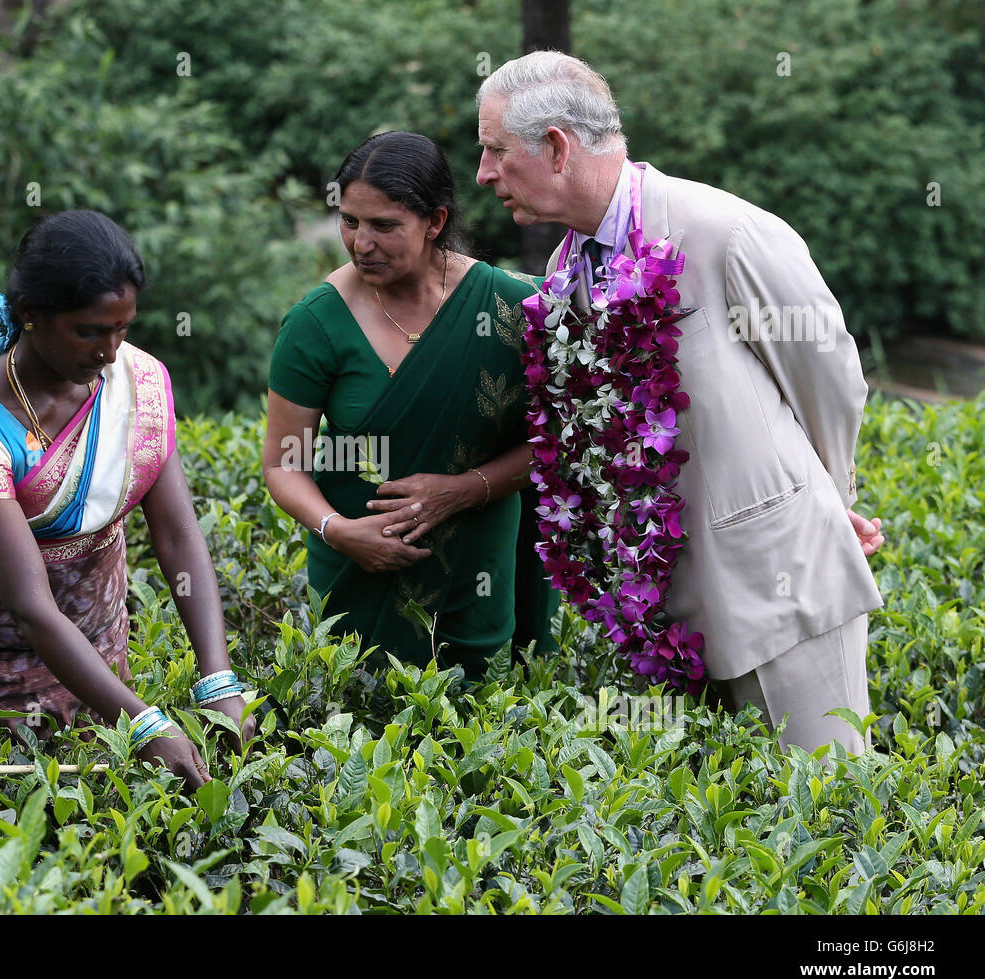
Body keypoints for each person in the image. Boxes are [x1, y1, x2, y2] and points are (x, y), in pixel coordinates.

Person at [476, 51, 885, 754]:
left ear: (555, 148)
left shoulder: (725, 231)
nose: (483, 173)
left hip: (779, 585)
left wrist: (826, 499)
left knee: (826, 814)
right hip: (665, 611)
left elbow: (829, 378)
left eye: (493, 150)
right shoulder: (562, 268)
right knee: (723, 841)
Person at [0, 210, 254, 790]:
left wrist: (218, 682)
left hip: (98, 666)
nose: (109, 352)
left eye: (122, 329)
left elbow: (178, 535)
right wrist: (143, 723)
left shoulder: (138, 384)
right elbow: (32, 608)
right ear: (30, 316)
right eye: (89, 331)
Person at [264, 131, 559, 678]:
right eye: (350, 221)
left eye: (384, 226)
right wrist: (337, 529)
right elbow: (285, 463)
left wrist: (464, 490)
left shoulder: (514, 310)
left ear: (435, 222)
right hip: (359, 571)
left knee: (479, 735)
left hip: (479, 568)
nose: (361, 243)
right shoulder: (316, 324)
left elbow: (555, 442)